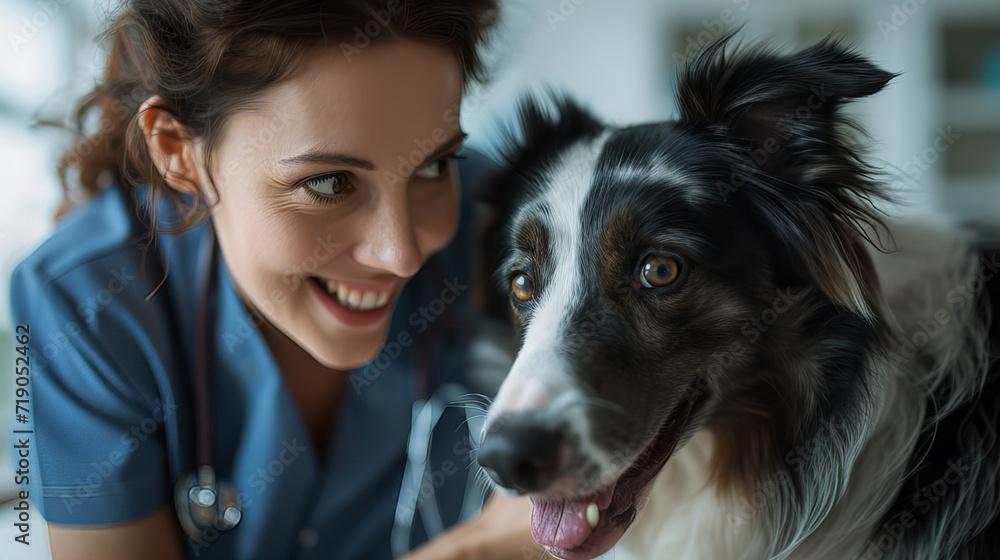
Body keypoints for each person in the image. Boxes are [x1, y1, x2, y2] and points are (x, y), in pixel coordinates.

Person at [8, 1, 542, 558]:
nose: (401, 253)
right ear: (178, 152)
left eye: (434, 165)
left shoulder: (516, 228)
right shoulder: (83, 303)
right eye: (330, 183)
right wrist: (476, 550)